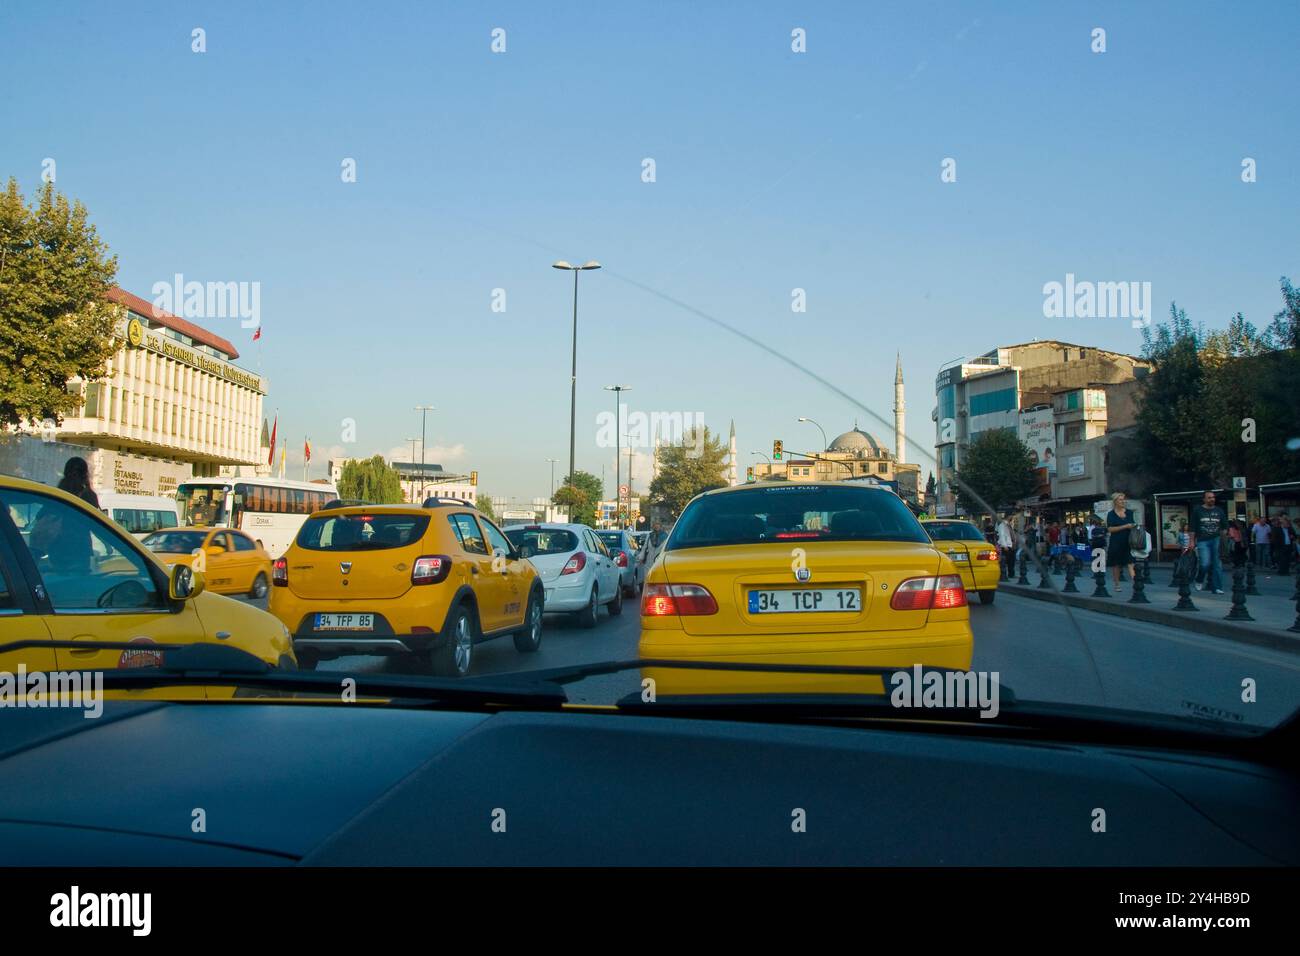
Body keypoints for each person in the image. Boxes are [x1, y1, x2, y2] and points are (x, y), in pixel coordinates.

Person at [1188, 490, 1227, 594]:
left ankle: (1217, 587)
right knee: (1205, 563)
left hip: (1216, 539)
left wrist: (1224, 540)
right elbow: (1192, 527)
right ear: (1204, 499)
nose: (1212, 499)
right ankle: (1199, 579)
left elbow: (1224, 527)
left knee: (1217, 564)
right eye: (1209, 497)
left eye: (1213, 497)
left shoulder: (1219, 511)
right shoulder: (1198, 511)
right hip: (1202, 540)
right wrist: (1191, 541)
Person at [1105, 492, 1138, 592]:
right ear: (1115, 501)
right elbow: (1110, 529)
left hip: (1129, 541)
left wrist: (1133, 526)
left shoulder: (1129, 513)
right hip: (1116, 541)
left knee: (1131, 563)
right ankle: (1117, 584)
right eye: (1120, 499)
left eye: (1123, 499)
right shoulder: (1111, 514)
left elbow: (1133, 524)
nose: (1123, 501)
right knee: (1116, 564)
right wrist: (1125, 526)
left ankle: (1136, 583)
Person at [996, 513, 1016, 578]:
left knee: (1011, 561)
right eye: (1012, 516)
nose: (1012, 518)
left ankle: (1011, 574)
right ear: (1008, 516)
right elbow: (1002, 536)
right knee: (1005, 561)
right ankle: (1003, 574)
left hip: (1011, 545)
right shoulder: (1002, 525)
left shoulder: (1009, 525)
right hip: (1006, 546)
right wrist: (1004, 545)